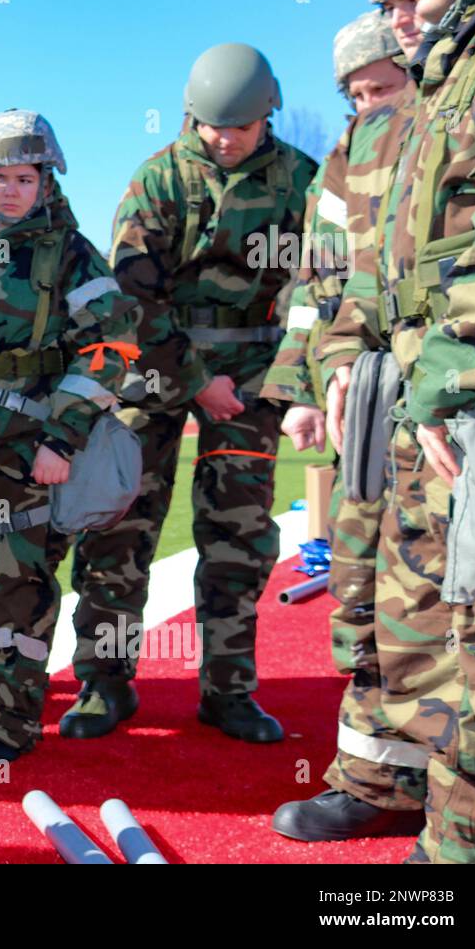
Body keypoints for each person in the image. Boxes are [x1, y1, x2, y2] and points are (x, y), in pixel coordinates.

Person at [318, 0, 475, 863]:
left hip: (468, 390)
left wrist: (440, 382)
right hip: (424, 384)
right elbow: (368, 270)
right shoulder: (437, 88)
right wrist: (347, 360)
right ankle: (421, 809)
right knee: (414, 610)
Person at [67, 44, 317, 744]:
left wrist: (288, 382)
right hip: (158, 368)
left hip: (255, 376)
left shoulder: (300, 179)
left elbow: (318, 286)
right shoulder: (161, 178)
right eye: (212, 126)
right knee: (119, 528)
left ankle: (227, 691)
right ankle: (105, 682)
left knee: (238, 537)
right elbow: (134, 295)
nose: (225, 139)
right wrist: (197, 382)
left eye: (240, 126)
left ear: (267, 115)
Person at [271, 0, 431, 843]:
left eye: (383, 87)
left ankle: (463, 790)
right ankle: (378, 779)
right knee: (367, 593)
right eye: (357, 93)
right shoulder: (344, 160)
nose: (370, 102)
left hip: (451, 389)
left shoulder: (456, 117)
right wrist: (303, 383)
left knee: (458, 601)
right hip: (369, 398)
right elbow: (318, 288)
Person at [0, 110, 139, 763]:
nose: (9, 190)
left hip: (30, 447)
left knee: (16, 584)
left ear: (45, 181)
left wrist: (63, 439)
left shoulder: (70, 253)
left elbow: (112, 346)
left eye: (24, 177)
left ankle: (2, 722)